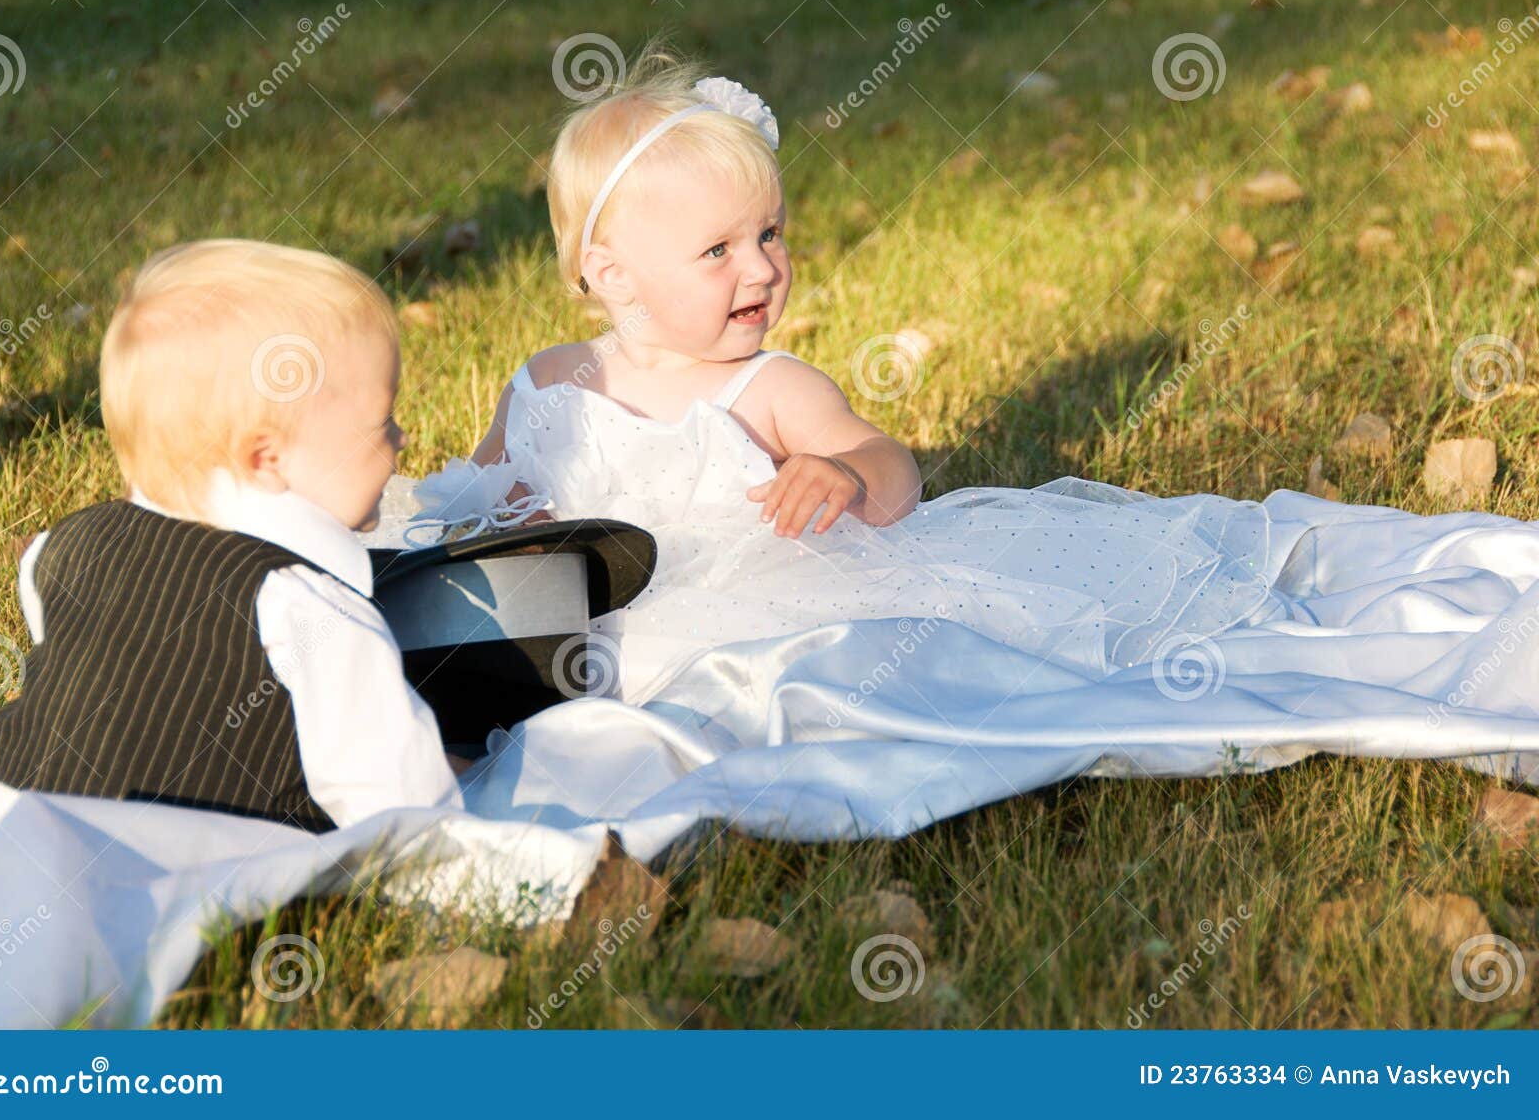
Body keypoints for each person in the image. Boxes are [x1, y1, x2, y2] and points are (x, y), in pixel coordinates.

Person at [419, 48, 1277, 703]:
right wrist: (509, 516)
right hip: (574, 608)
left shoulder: (770, 389)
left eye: (771, 234)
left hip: (753, 612)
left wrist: (839, 473)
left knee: (734, 683)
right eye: (717, 250)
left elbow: (892, 467)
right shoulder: (548, 384)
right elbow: (479, 486)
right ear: (611, 275)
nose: (760, 269)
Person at [0, 239, 466, 831]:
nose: (403, 438)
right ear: (267, 457)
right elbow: (404, 810)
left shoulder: (66, 545)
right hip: (184, 870)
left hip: (4, 834)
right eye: (383, 420)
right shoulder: (306, 607)